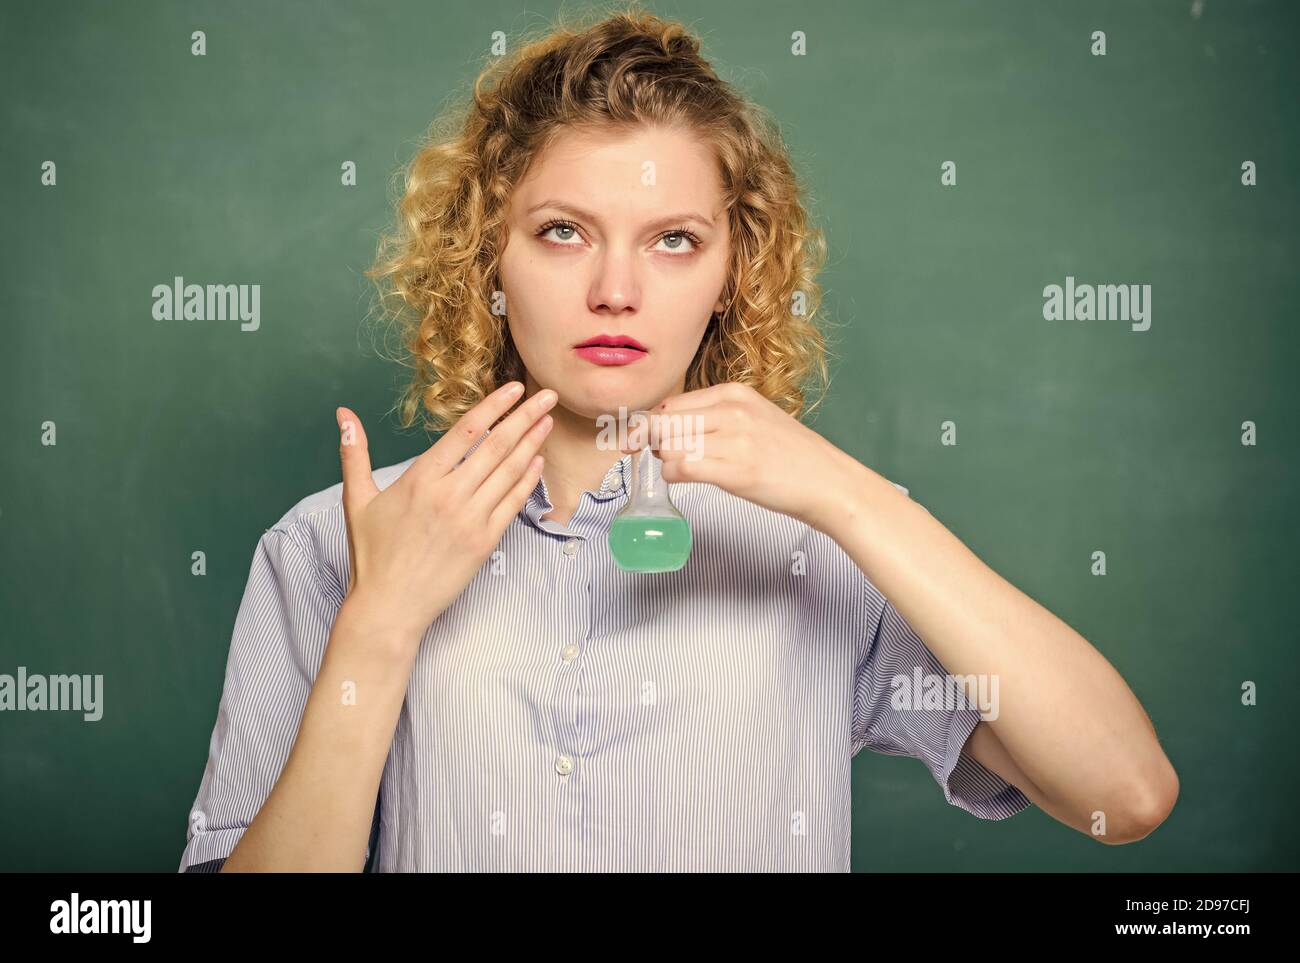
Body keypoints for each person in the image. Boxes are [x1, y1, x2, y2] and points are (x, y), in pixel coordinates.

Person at [179, 6, 1176, 873]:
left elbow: (1124, 795)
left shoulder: (816, 544)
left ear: (732, 276)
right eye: (563, 231)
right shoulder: (331, 545)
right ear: (488, 258)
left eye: (674, 240)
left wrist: (851, 497)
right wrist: (383, 620)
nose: (616, 289)